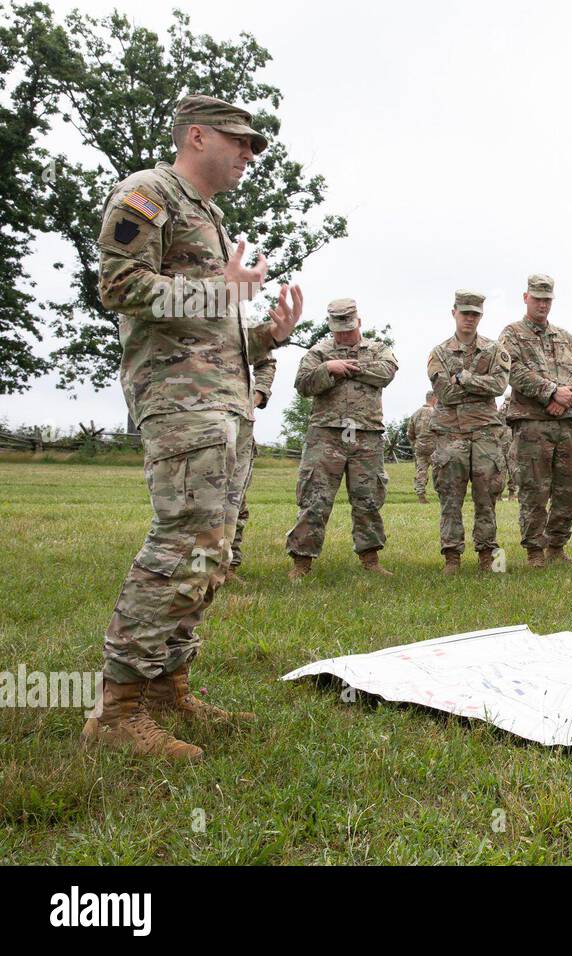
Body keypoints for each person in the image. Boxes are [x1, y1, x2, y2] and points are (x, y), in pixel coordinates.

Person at [83, 94, 302, 761]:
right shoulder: (149, 194)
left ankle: (166, 687)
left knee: (214, 551)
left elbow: (211, 330)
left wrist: (266, 335)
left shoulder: (209, 216)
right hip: (180, 404)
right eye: (239, 142)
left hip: (224, 406)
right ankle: (116, 711)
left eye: (253, 147)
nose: (248, 156)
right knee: (184, 542)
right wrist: (223, 291)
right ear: (197, 136)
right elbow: (119, 286)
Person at [285, 298, 398, 580]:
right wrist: (327, 369)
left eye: (349, 328)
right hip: (326, 435)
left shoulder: (378, 349)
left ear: (359, 322)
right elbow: (302, 385)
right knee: (315, 498)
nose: (345, 334)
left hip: (366, 435)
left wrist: (348, 369)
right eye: (340, 330)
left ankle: (370, 559)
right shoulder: (319, 352)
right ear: (331, 326)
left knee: (368, 499)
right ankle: (301, 562)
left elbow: (387, 372)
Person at [498, 274, 572, 567]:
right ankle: (535, 551)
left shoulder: (565, 337)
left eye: (547, 299)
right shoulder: (512, 334)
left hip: (566, 423)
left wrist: (568, 398)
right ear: (526, 298)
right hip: (531, 423)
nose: (542, 304)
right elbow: (513, 371)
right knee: (534, 489)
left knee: (567, 488)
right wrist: (550, 392)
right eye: (537, 299)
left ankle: (557, 548)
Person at [426, 290, 511, 573]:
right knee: (450, 497)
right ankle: (452, 556)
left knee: (487, 496)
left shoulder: (495, 350)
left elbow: (499, 386)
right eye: (465, 313)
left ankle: (487, 555)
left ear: (481, 316)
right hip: (450, 434)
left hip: (485, 433)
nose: (470, 319)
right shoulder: (439, 353)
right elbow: (446, 394)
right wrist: (479, 385)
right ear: (454, 313)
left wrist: (465, 378)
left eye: (475, 314)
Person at [228, 352, 276, 583]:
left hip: (238, 425)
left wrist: (260, 392)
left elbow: (266, 361)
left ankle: (226, 567)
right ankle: (187, 568)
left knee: (235, 501)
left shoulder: (242, 329)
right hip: (188, 423)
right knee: (190, 501)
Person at [408, 391, 438, 503]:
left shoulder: (415, 414)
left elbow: (410, 433)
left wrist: (415, 444)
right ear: (434, 398)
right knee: (439, 470)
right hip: (435, 446)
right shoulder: (436, 413)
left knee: (421, 471)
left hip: (420, 447)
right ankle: (442, 493)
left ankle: (420, 495)